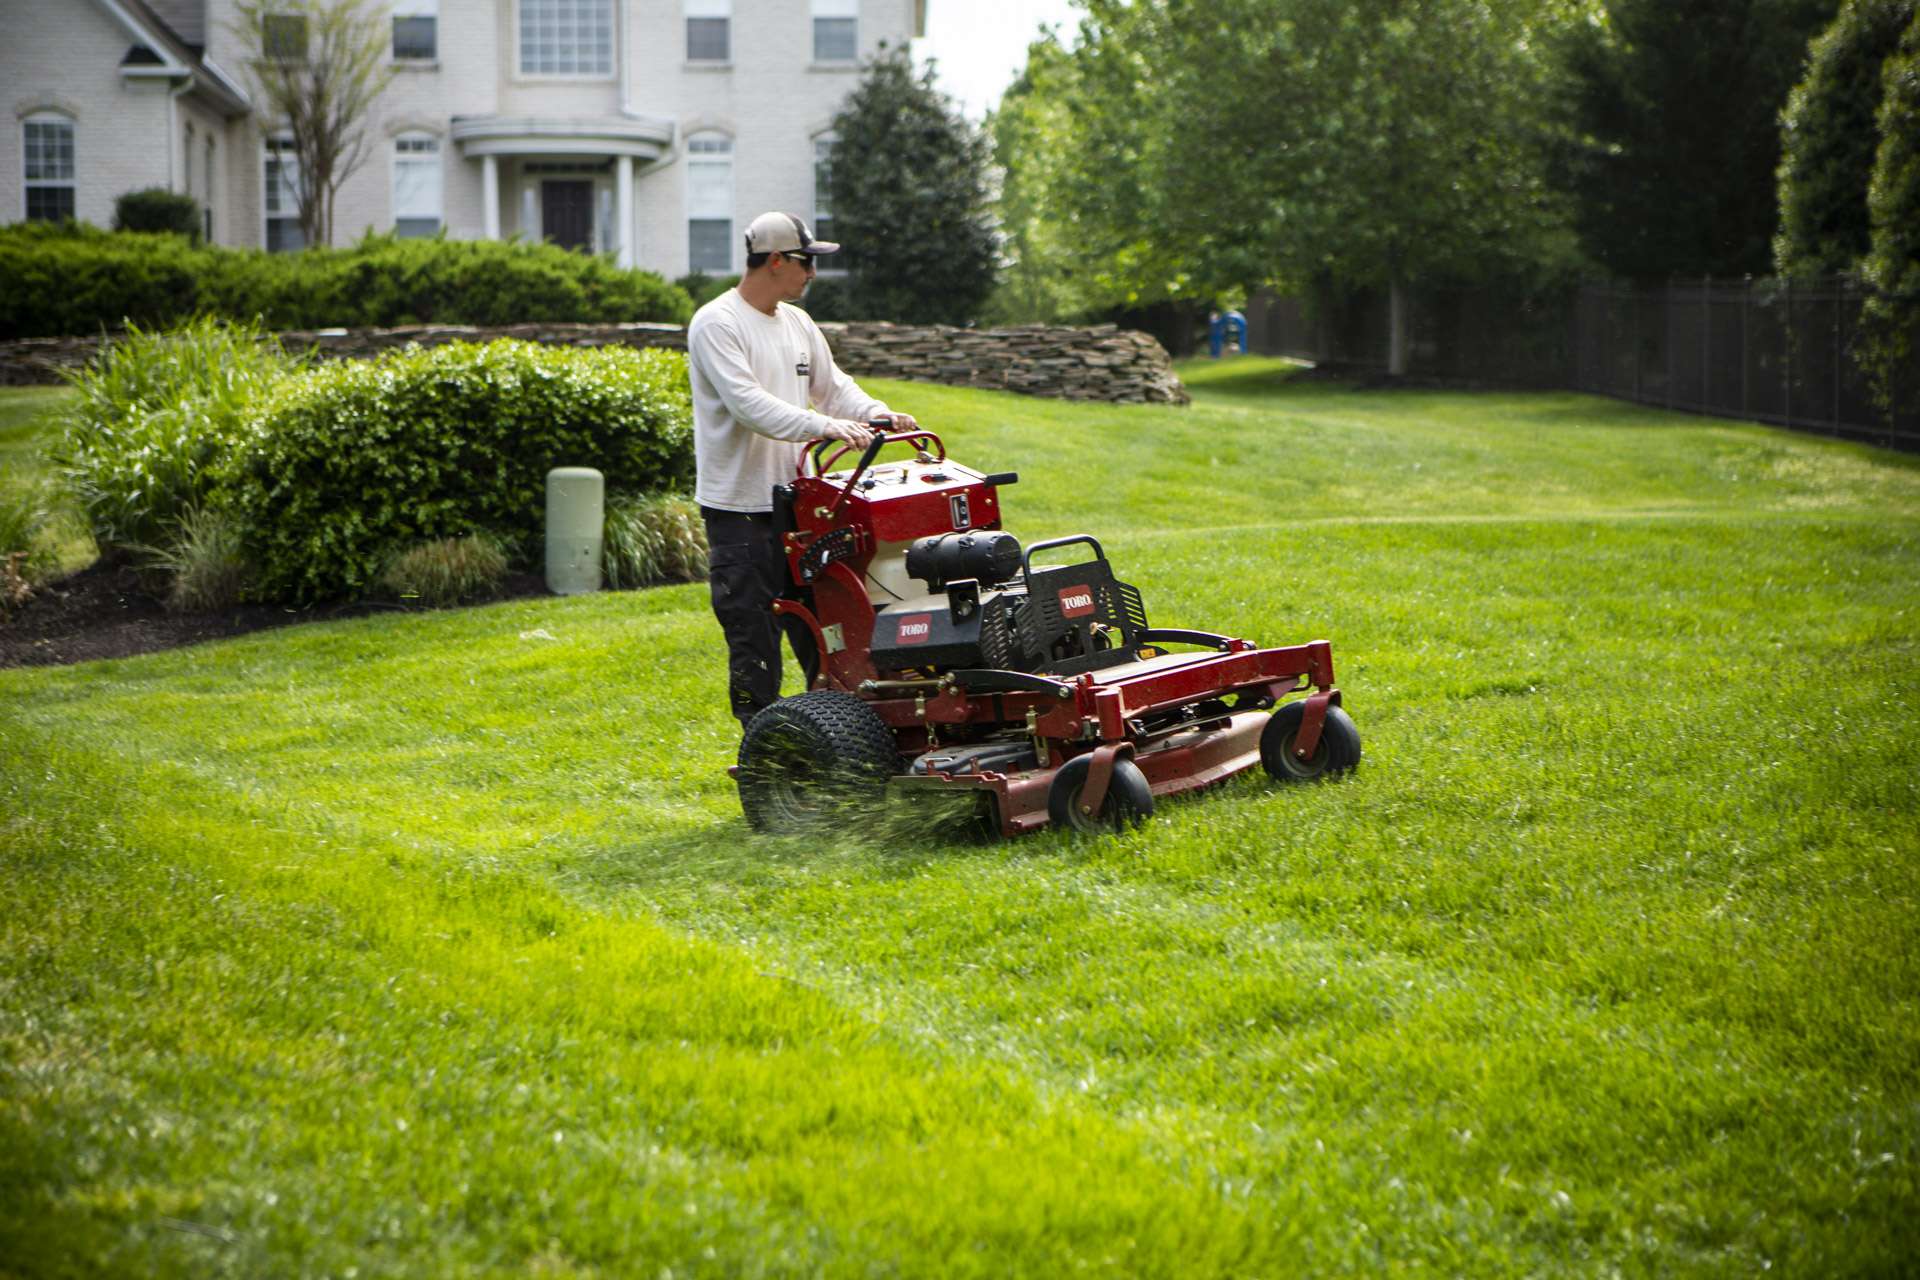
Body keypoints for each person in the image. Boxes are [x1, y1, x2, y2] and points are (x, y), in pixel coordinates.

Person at [686, 211, 918, 730]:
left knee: (828, 628)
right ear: (774, 262)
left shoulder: (796, 322)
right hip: (739, 512)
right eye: (805, 262)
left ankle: (845, 738)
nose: (812, 273)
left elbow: (834, 387)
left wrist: (873, 412)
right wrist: (827, 427)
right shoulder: (717, 323)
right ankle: (764, 756)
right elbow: (749, 405)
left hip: (800, 506)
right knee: (755, 640)